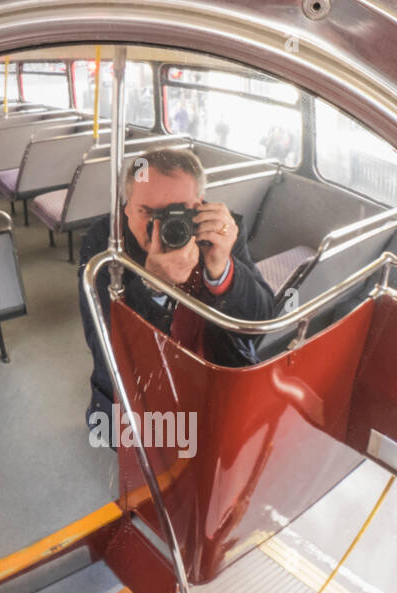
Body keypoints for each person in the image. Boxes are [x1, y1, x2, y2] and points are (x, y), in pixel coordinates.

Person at [76, 148, 275, 424]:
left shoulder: (219, 232)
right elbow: (105, 346)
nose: (159, 226)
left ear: (199, 206)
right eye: (146, 211)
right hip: (140, 400)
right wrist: (152, 286)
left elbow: (260, 324)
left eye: (175, 212)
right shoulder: (104, 243)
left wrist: (223, 270)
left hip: (213, 380)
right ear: (126, 208)